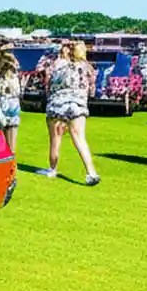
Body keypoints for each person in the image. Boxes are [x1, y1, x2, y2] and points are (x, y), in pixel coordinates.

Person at [39, 41, 100, 185]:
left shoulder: (56, 65)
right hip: (78, 105)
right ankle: (91, 173)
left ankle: (52, 169)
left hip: (57, 104)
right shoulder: (87, 67)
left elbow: (47, 84)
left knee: (55, 140)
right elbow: (92, 89)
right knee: (80, 139)